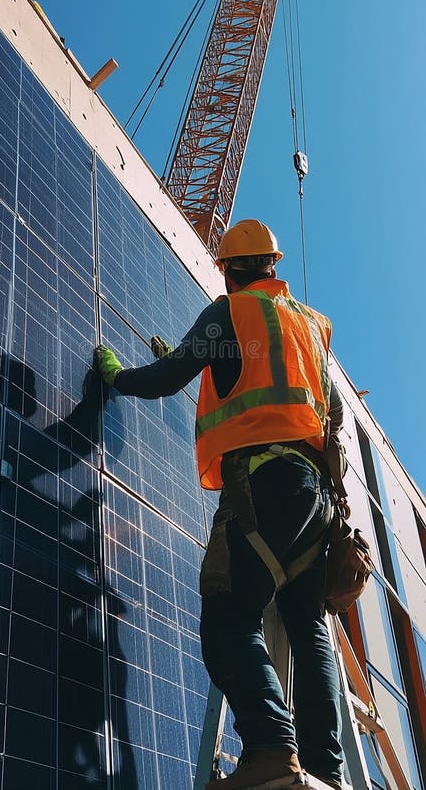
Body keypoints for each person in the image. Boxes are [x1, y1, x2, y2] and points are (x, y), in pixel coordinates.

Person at [95, 219, 346, 790]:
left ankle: (270, 748)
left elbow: (165, 377)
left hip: (263, 488)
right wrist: (196, 357)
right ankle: (324, 771)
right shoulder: (309, 326)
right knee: (308, 627)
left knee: (231, 617)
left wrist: (118, 376)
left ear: (229, 269)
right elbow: (311, 408)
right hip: (318, 498)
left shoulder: (228, 312)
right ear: (273, 267)